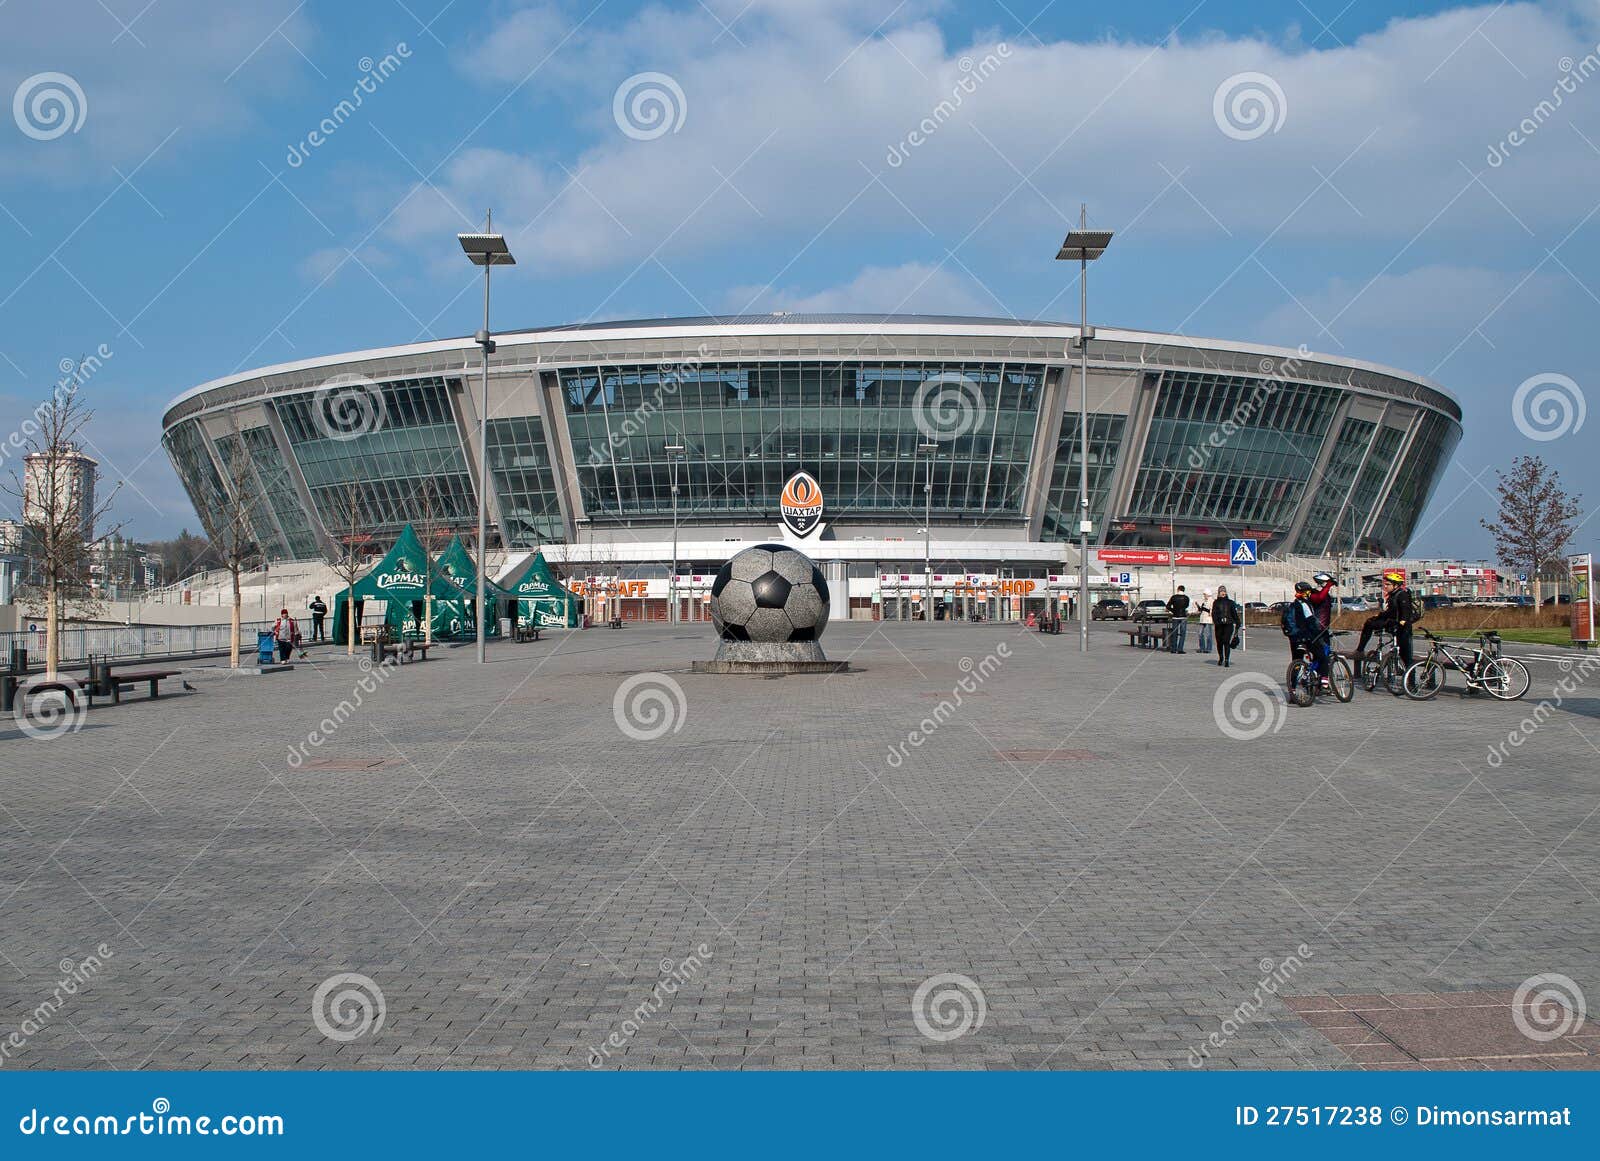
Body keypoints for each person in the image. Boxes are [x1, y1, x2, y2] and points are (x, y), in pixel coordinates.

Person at [1355, 568, 1417, 676]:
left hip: (1403, 628)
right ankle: (1360, 650)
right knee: (1369, 623)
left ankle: (1411, 684)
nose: (1385, 586)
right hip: (1392, 623)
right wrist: (1379, 616)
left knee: (1406, 656)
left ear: (1396, 585)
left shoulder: (1402, 595)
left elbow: (1405, 612)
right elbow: (1390, 612)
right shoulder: (1393, 595)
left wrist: (1402, 622)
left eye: (1388, 584)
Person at [1283, 581, 1330, 682]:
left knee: (1296, 661)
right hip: (1306, 637)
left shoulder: (1293, 605)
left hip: (1294, 638)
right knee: (1322, 656)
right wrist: (1319, 632)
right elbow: (1311, 621)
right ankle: (1325, 681)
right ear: (1306, 592)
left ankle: (1293, 689)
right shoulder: (1304, 604)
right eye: (1309, 592)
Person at [1212, 585, 1241, 667]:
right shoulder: (1216, 602)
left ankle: (1227, 659)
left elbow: (1234, 613)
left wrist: (1238, 622)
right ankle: (1221, 657)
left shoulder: (1230, 602)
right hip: (1219, 625)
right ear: (1219, 593)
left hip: (1228, 624)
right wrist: (1216, 622)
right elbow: (1214, 614)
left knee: (1226, 642)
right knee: (1219, 642)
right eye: (1221, 591)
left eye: (1224, 591)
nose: (1223, 593)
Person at [1166, 585, 1190, 653]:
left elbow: (1168, 606)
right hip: (1183, 616)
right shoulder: (1186, 598)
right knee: (1183, 633)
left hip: (1175, 616)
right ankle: (1180, 649)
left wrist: (1173, 610)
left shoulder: (1174, 597)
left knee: (1174, 633)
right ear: (1184, 590)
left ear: (1178, 589)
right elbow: (1186, 606)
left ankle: (1174, 649)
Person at [1196, 588, 1214, 654]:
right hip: (1202, 619)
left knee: (1208, 634)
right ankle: (1202, 648)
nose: (1204, 596)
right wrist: (1198, 606)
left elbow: (1211, 611)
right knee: (1200, 634)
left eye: (1205, 594)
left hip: (1208, 619)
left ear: (1208, 594)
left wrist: (1205, 609)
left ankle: (1208, 648)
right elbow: (1201, 610)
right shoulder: (1204, 601)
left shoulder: (1212, 601)